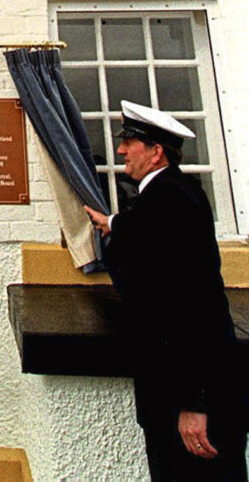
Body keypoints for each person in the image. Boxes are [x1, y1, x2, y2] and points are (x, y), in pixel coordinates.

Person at [85, 101, 247, 482]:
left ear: (156, 152)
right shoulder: (172, 194)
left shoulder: (169, 200)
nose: (121, 150)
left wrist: (195, 403)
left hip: (189, 406)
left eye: (130, 143)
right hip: (178, 399)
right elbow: (147, 234)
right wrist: (111, 224)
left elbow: (190, 308)